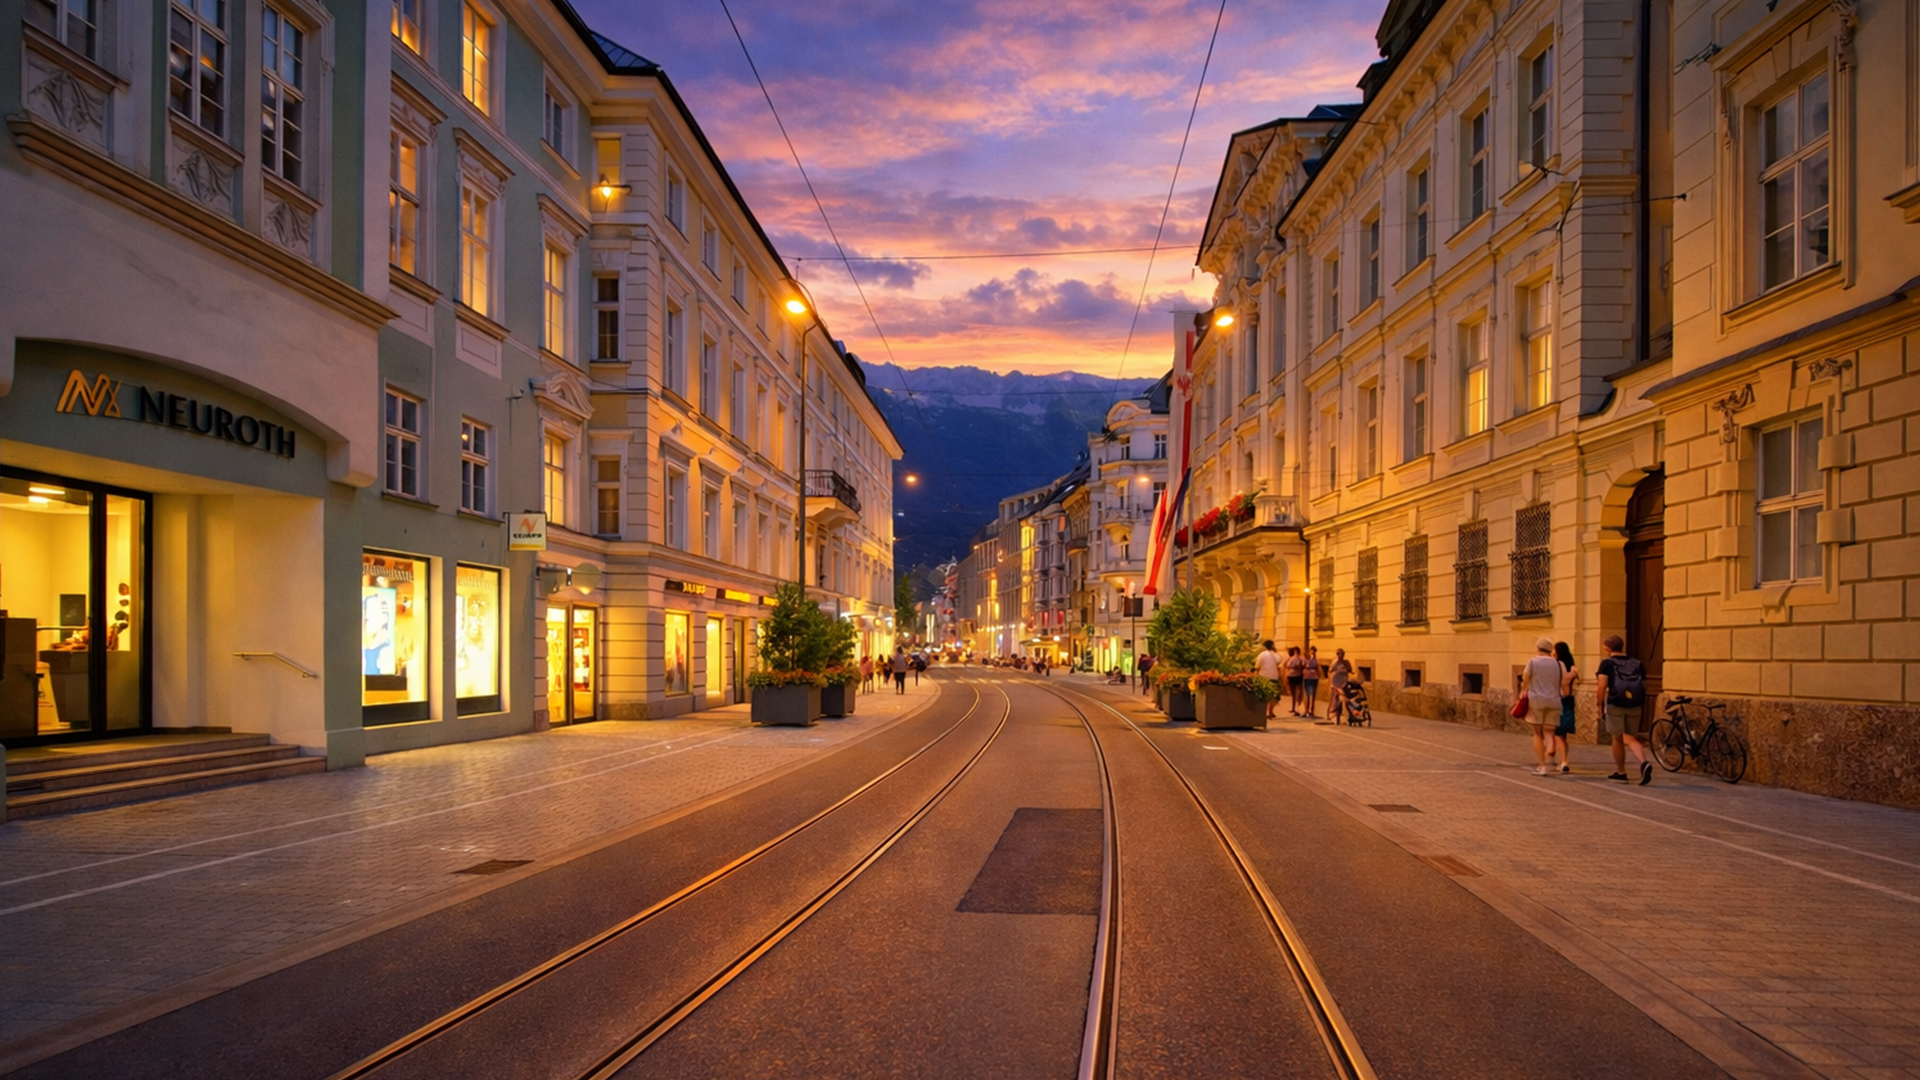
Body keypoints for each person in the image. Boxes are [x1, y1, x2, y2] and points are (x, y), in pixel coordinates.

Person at [1595, 635, 1653, 784]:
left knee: (1617, 738)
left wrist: (1599, 706)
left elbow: (1601, 686)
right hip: (1634, 705)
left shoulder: (1606, 664)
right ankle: (1643, 762)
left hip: (1615, 703)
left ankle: (1621, 772)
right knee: (1630, 737)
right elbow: (1643, 685)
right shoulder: (1637, 663)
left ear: (1608, 648)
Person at [1519, 637, 1564, 775]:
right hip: (1555, 700)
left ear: (1538, 648)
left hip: (1537, 699)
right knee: (1550, 730)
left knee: (1537, 734)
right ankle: (1551, 750)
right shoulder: (1557, 663)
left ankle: (1542, 765)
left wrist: (1523, 689)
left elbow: (1526, 678)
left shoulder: (1533, 661)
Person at [1553, 641, 1579, 773]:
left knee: (1557, 733)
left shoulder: (1557, 666)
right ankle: (1563, 760)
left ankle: (1562, 760)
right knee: (1563, 735)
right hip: (1568, 700)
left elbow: (1562, 681)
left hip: (1558, 700)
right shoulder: (1572, 668)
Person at [1255, 640, 1283, 719]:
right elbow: (1279, 661)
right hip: (1274, 676)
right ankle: (1270, 711)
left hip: (1263, 677)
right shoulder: (1275, 655)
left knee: (1264, 696)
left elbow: (1257, 666)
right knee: (1273, 696)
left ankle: (1265, 711)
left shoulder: (1261, 655)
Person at [1327, 649, 1353, 723]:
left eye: (1342, 654)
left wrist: (1347, 669)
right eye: (1339, 654)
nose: (1340, 656)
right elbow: (1330, 670)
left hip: (1343, 682)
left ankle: (1346, 714)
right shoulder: (1335, 662)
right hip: (1335, 683)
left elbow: (1350, 669)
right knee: (1334, 699)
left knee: (1345, 698)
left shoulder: (1346, 662)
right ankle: (1332, 713)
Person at [1301, 647, 1322, 719]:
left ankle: (1311, 710)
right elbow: (1303, 665)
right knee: (1307, 694)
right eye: (1311, 652)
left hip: (1314, 678)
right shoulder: (1306, 659)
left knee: (1313, 695)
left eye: (1314, 652)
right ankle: (1306, 710)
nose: (1312, 654)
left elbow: (1317, 668)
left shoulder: (1315, 660)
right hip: (1307, 677)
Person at [1284, 647, 1305, 716]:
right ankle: (1294, 708)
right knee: (1295, 693)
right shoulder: (1295, 658)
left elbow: (1287, 665)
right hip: (1295, 676)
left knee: (1296, 693)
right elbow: (1286, 665)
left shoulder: (1298, 658)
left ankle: (1296, 708)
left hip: (1295, 676)